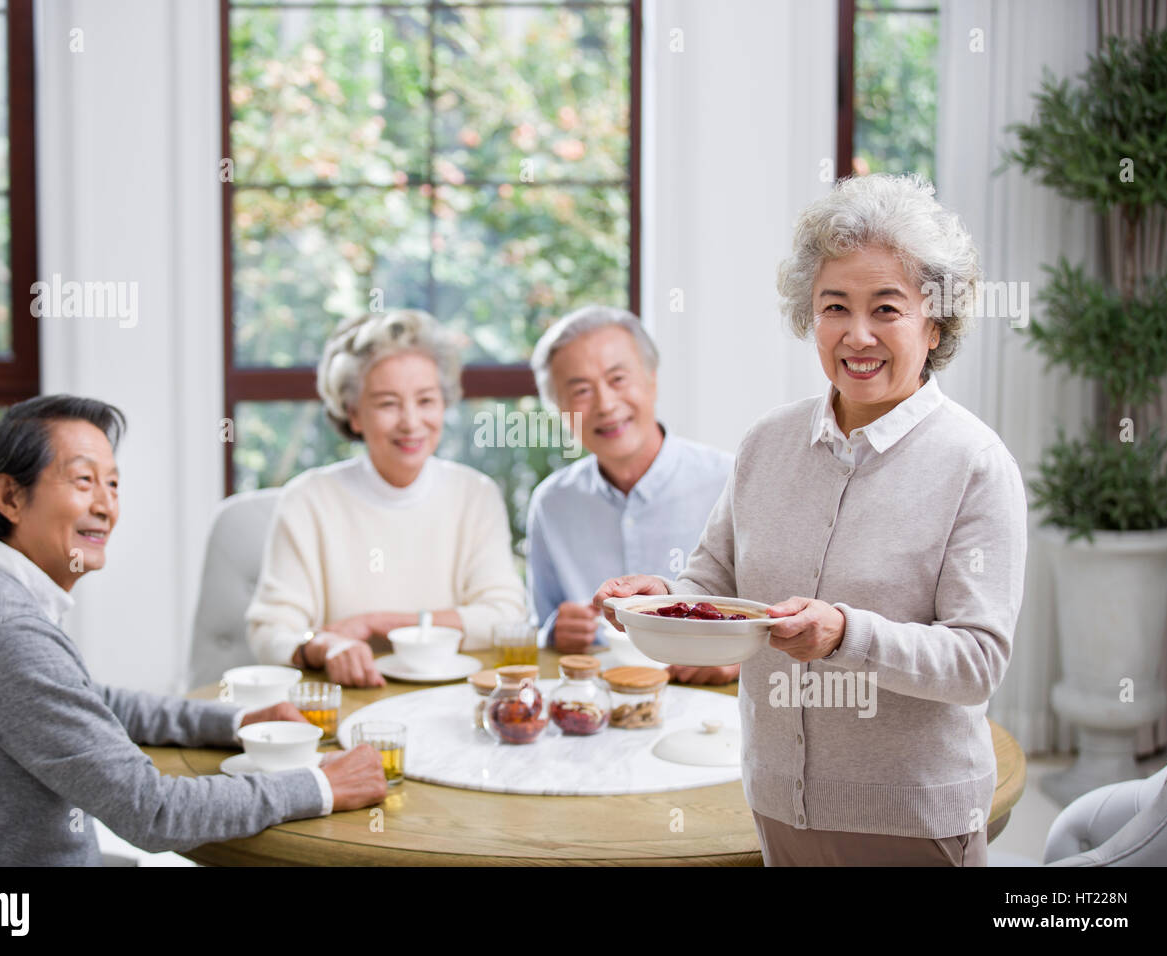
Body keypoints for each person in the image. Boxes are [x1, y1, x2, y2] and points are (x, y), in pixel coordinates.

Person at [595, 174, 1028, 866]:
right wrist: (664, 603)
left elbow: (976, 663)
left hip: (914, 819)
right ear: (810, 315)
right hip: (777, 805)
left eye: (887, 309)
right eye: (835, 307)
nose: (858, 335)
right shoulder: (768, 443)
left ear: (934, 321)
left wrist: (845, 635)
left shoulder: (974, 464)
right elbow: (713, 584)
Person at [0, 395, 387, 866]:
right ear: (10, 497)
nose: (106, 505)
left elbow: (94, 699)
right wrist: (321, 784)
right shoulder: (6, 629)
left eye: (113, 484)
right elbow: (152, 812)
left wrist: (236, 722)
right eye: (83, 480)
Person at [245, 309, 528, 687]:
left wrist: (381, 624)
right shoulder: (308, 500)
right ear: (354, 414)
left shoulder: (475, 495)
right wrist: (323, 645)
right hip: (345, 700)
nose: (411, 421)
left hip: (452, 699)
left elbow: (505, 617)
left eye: (426, 400)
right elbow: (270, 632)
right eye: (388, 404)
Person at [526, 306, 735, 684]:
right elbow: (539, 625)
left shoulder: (730, 480)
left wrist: (734, 661)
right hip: (595, 706)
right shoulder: (551, 504)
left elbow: (784, 616)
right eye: (580, 390)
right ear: (559, 410)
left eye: (618, 379)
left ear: (651, 380)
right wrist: (555, 631)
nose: (605, 405)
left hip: (709, 708)